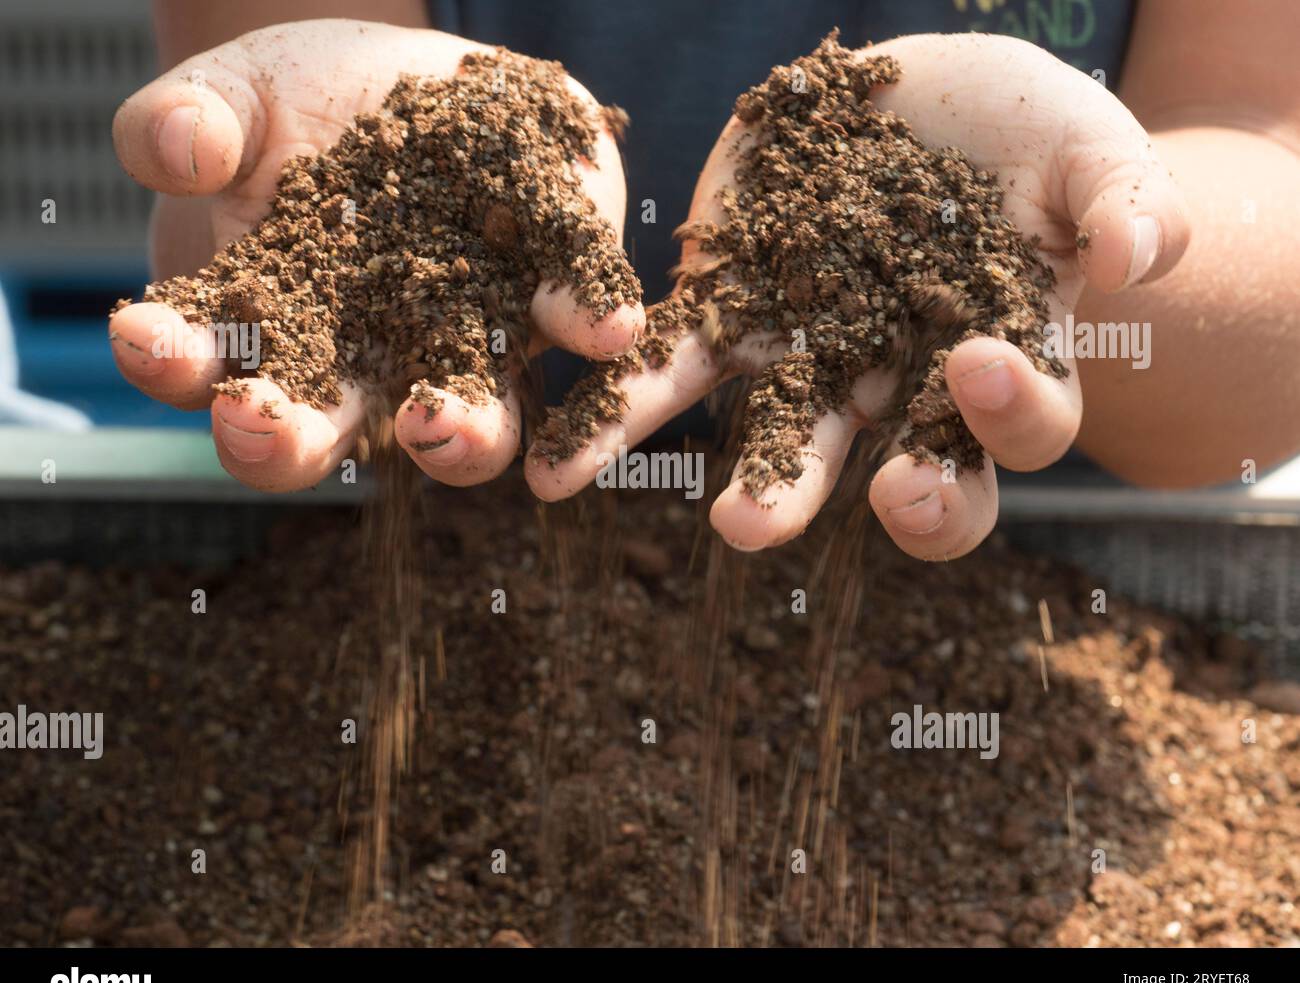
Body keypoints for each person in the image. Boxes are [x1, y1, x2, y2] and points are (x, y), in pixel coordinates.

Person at [108, 0, 1300, 560]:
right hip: (463, 529)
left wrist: (1077, 255)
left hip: (1047, 559)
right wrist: (321, 239)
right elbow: (226, 222)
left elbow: (1260, 148)